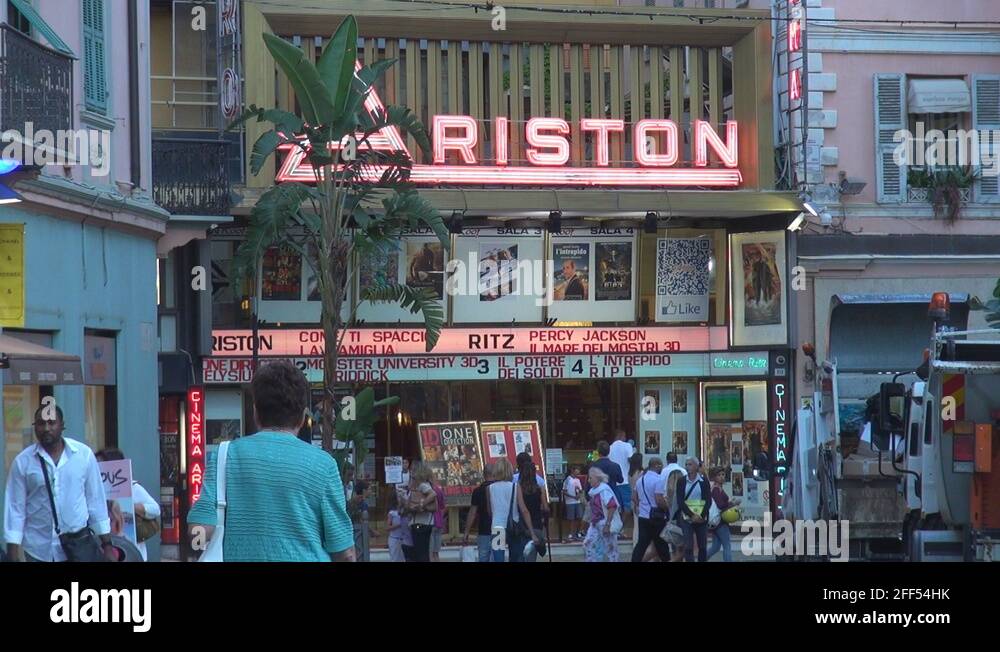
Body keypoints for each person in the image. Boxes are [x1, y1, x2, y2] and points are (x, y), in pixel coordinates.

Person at [188, 360, 355, 561]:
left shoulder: (223, 457)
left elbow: (199, 530)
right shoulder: (323, 465)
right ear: (302, 417)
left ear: (256, 412)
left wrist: (201, 541)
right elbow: (345, 552)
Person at [4, 404, 116, 562]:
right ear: (35, 427)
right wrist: (12, 553)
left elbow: (95, 500)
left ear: (62, 425)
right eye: (41, 423)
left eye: (51, 422)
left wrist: (108, 546)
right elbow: (15, 508)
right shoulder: (23, 462)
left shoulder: (83, 455)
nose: (46, 428)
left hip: (79, 548)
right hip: (38, 550)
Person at [95, 448, 161, 562]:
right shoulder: (93, 489)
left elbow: (155, 509)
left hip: (130, 550)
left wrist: (132, 506)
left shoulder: (133, 488)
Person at [632, 457, 673, 563]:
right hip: (656, 517)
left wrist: (642, 506)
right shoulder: (658, 480)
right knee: (661, 543)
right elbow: (659, 499)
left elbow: (634, 497)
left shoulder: (640, 480)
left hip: (643, 517)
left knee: (641, 544)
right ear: (657, 465)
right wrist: (667, 507)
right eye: (661, 465)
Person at [676, 456, 712, 562]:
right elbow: (680, 501)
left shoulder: (703, 481)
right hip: (687, 517)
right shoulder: (682, 481)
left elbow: (708, 500)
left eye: (690, 464)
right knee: (688, 546)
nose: (687, 466)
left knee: (702, 546)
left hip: (701, 517)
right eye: (686, 464)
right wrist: (692, 515)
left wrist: (701, 515)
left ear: (696, 466)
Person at [402, 462, 437, 562]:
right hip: (422, 523)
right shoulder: (420, 485)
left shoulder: (422, 485)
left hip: (421, 524)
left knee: (421, 553)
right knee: (422, 552)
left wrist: (421, 504)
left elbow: (432, 494)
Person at [583, 467, 620, 562]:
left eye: (591, 478)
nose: (589, 480)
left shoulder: (604, 490)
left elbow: (612, 506)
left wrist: (608, 524)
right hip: (595, 522)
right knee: (588, 543)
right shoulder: (593, 492)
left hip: (604, 521)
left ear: (597, 478)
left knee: (610, 548)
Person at [512, 461, 545, 562]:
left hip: (523, 525)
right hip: (536, 524)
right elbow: (545, 507)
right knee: (532, 555)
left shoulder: (518, 489)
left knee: (521, 554)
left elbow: (522, 508)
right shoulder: (539, 489)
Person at [707, 468, 741, 562]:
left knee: (716, 547)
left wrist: (730, 502)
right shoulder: (716, 490)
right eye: (719, 475)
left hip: (717, 521)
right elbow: (721, 505)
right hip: (720, 521)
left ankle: (702, 559)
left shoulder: (718, 488)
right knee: (727, 545)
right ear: (714, 477)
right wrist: (732, 503)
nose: (722, 477)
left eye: (723, 475)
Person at [463, 463, 495, 562]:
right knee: (497, 557)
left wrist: (466, 532)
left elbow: (472, 513)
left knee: (483, 557)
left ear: (483, 474)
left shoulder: (478, 491)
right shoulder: (498, 489)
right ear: (494, 474)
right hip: (499, 529)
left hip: (483, 529)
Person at [486, 458, 515, 562]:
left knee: (498, 558)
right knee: (515, 556)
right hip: (513, 525)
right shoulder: (515, 487)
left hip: (497, 525)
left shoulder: (490, 488)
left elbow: (489, 511)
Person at [609, 430, 636, 518]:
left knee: (616, 508)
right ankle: (621, 527)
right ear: (621, 436)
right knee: (627, 508)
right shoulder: (627, 446)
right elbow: (630, 459)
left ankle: (617, 527)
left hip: (613, 483)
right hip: (624, 481)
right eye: (624, 437)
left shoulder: (610, 448)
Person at [662, 468, 687, 562]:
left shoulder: (668, 493)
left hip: (672, 522)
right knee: (684, 549)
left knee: (675, 549)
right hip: (681, 520)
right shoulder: (681, 492)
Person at [348, 480, 372, 562]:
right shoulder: (363, 504)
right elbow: (362, 520)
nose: (371, 491)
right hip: (359, 534)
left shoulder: (354, 502)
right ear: (364, 491)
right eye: (369, 489)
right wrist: (371, 531)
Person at [386, 490, 411, 562]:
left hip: (405, 540)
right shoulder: (392, 512)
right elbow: (387, 527)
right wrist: (399, 525)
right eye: (399, 497)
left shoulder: (406, 511)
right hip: (394, 539)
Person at [562, 465, 584, 541]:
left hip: (578, 501)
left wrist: (579, 493)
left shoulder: (578, 480)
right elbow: (564, 491)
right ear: (573, 470)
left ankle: (578, 532)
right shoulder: (568, 480)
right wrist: (572, 497)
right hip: (570, 502)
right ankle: (571, 533)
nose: (578, 472)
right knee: (571, 518)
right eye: (577, 470)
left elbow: (580, 490)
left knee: (580, 517)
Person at [430, 476, 446, 562]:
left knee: (431, 553)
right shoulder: (439, 490)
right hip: (439, 521)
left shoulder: (427, 491)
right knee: (436, 553)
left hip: (430, 522)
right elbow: (443, 506)